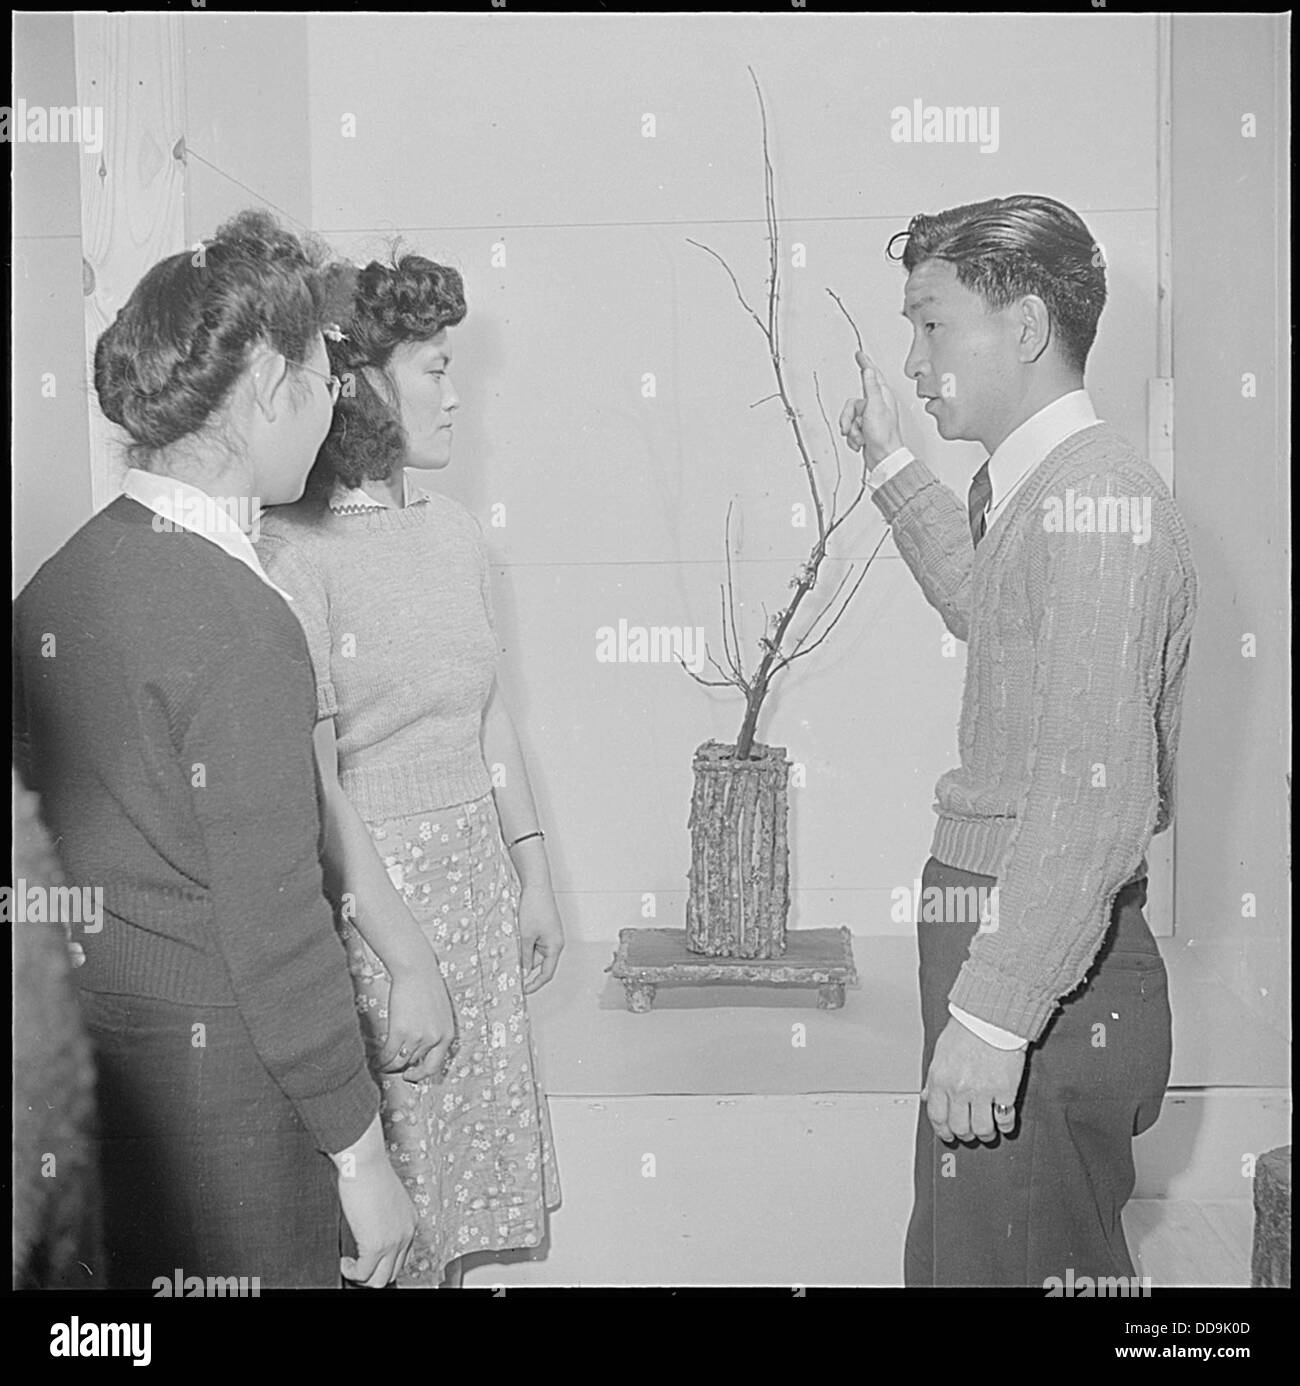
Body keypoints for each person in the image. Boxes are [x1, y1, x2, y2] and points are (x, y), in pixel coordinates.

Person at [12, 211, 416, 1289]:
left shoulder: (60, 581)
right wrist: (363, 1153)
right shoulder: (242, 622)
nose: (341, 399)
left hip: (104, 1075)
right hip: (233, 1095)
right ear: (265, 387)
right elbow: (277, 930)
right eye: (326, 374)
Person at [839, 194, 1199, 1287]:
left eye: (931, 324)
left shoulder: (1100, 507)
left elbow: (1092, 802)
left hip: (1039, 964)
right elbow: (987, 604)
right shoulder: (1052, 495)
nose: (913, 359)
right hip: (1022, 945)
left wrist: (995, 1016)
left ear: (1028, 327)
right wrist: (890, 466)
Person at [256, 250, 562, 1288]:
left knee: (454, 1219)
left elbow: (487, 716)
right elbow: (319, 784)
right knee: (384, 1225)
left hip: (475, 891)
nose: (456, 390)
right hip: (378, 915)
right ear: (363, 383)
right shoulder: (294, 554)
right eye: (435, 367)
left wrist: (531, 871)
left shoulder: (457, 534)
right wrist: (405, 963)